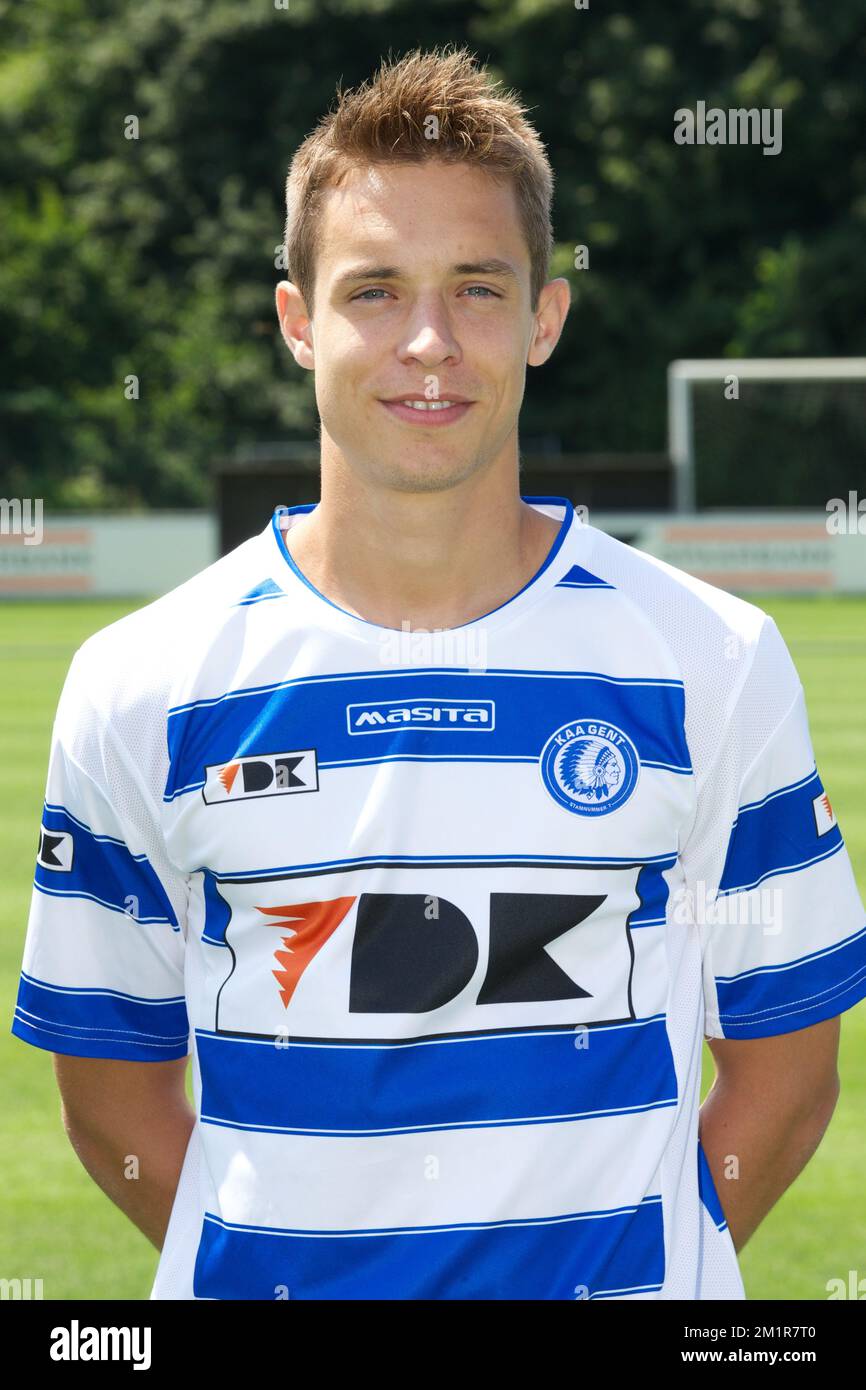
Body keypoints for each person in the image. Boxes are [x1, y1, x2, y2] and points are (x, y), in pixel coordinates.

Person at [11, 45, 866, 1301]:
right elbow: (110, 1096)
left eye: (476, 287)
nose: (428, 341)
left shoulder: (710, 658)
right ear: (298, 322)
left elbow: (786, 1079)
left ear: (543, 317)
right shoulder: (141, 678)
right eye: (373, 291)